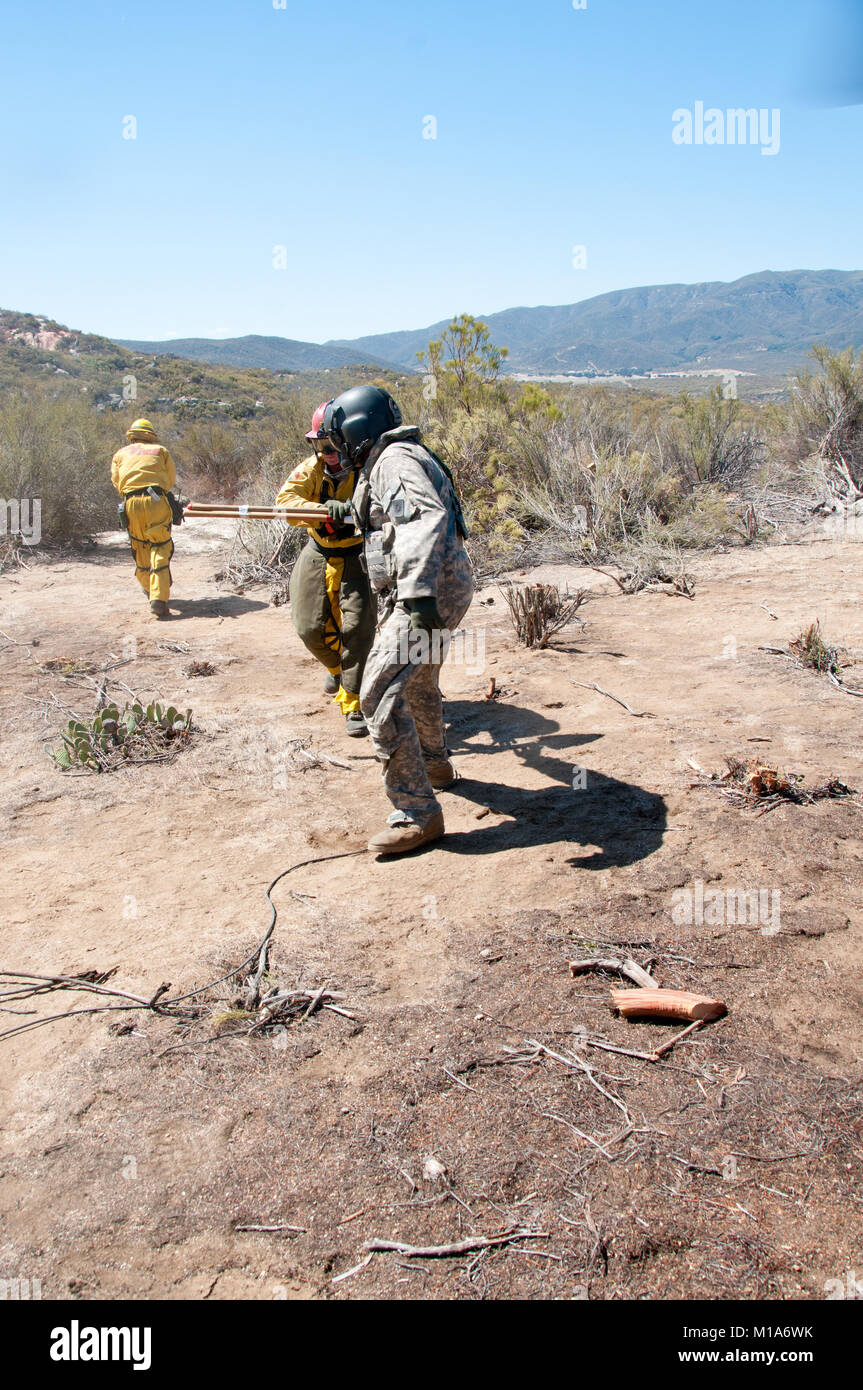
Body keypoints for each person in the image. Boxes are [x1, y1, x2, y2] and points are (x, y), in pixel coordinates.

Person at [319, 385, 474, 854]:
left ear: (355, 432)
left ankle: (417, 814)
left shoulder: (394, 462)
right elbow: (392, 517)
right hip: (438, 588)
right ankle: (435, 765)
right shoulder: (388, 460)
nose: (335, 450)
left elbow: (422, 520)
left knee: (378, 693)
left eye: (337, 440)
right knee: (419, 682)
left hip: (424, 594)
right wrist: (353, 511)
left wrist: (419, 599)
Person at [276, 404, 376, 736]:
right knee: (308, 626)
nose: (328, 454)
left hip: (357, 557)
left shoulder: (370, 470)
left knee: (358, 629)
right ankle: (337, 668)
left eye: (334, 446)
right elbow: (285, 502)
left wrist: (358, 510)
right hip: (319, 551)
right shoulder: (310, 470)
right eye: (321, 446)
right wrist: (320, 510)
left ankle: (354, 701)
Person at [111, 418, 180, 619]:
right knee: (160, 545)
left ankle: (150, 589)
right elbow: (170, 479)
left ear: (132, 435)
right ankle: (158, 598)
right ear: (151, 436)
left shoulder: (120, 454)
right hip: (156, 499)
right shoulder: (160, 451)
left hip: (130, 502)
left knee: (139, 545)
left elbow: (117, 481)